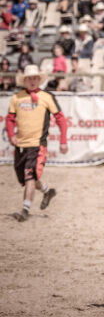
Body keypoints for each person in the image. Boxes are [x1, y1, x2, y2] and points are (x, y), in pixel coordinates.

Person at [5, 65, 68, 222]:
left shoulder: (47, 97)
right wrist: (11, 135)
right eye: (29, 78)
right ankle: (47, 191)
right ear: (24, 80)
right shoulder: (17, 98)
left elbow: (60, 118)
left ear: (39, 80)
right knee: (26, 177)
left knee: (30, 175)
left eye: (35, 78)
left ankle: (25, 209)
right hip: (20, 145)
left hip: (38, 145)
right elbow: (10, 119)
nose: (32, 81)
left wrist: (63, 140)